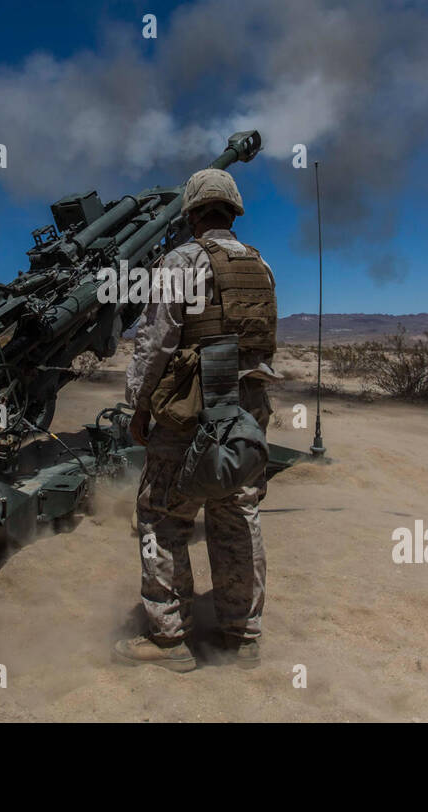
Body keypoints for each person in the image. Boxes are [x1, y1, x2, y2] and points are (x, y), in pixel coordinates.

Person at [115, 168, 277, 673]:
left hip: (190, 412)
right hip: (245, 416)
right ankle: (242, 636)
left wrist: (138, 406)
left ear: (190, 214)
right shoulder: (262, 266)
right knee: (237, 516)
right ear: (233, 212)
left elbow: (156, 343)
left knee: (162, 518)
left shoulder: (181, 261)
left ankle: (169, 639)